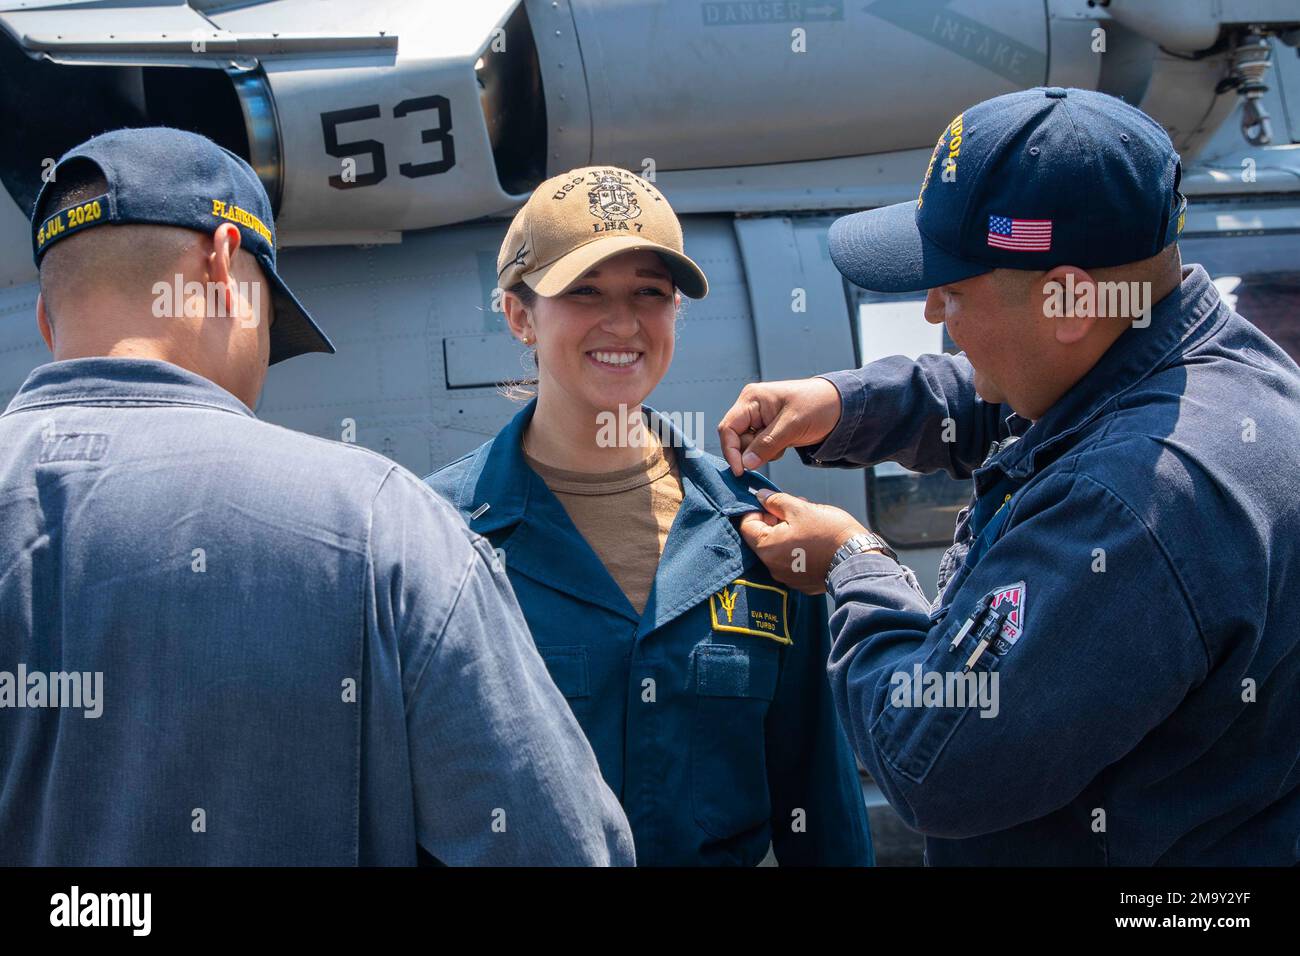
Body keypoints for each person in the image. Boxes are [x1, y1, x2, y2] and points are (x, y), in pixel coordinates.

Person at [0, 127, 633, 866]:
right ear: (223, 260)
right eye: (271, 320)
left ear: (47, 320)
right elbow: (555, 848)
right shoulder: (382, 525)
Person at [722, 88, 1300, 865]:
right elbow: (1036, 397)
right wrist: (846, 403)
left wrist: (857, 565)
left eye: (954, 289)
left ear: (1067, 300)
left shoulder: (1126, 509)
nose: (932, 311)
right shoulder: (1209, 366)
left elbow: (933, 760)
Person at [426, 166, 872, 866]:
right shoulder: (438, 537)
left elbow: (820, 805)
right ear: (518, 316)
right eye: (585, 291)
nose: (624, 323)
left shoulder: (764, 535)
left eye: (650, 294)